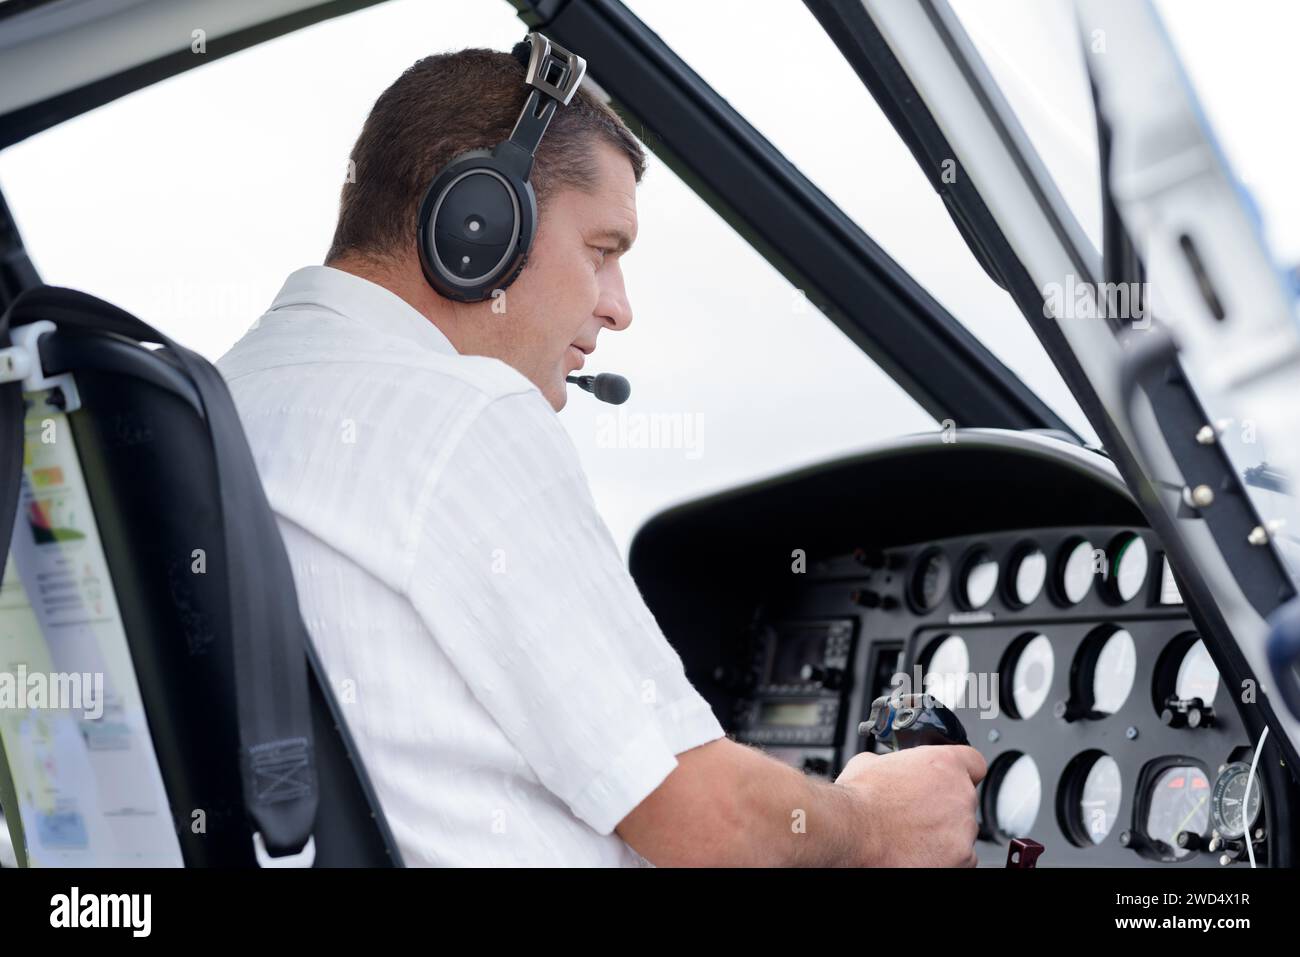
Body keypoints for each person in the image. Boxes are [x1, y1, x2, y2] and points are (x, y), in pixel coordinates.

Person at [217, 43, 986, 867]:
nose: (618, 308)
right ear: (476, 225)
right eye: (602, 249)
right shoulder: (464, 416)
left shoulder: (228, 399)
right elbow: (710, 823)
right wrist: (878, 821)